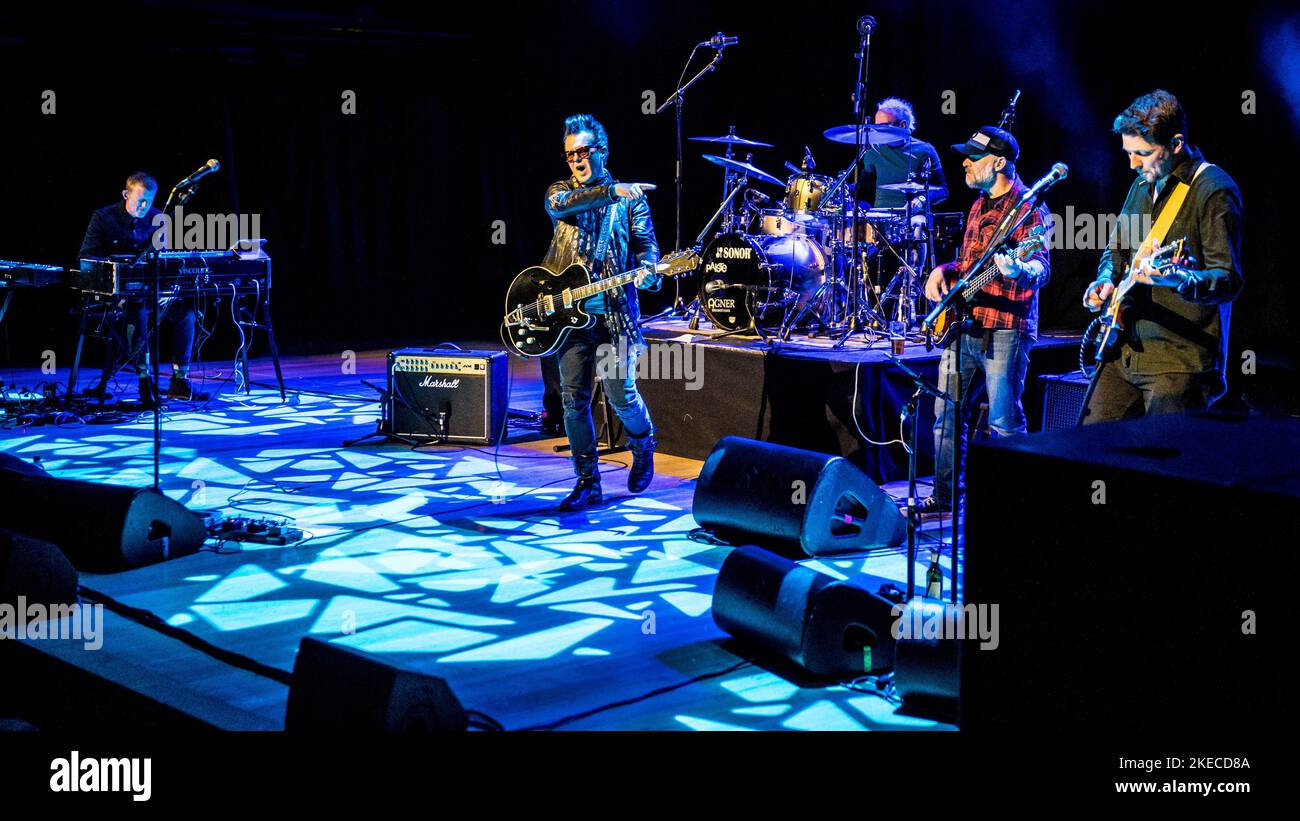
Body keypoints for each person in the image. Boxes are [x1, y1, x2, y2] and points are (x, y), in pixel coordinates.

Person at [1080, 90, 1243, 422]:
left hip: (1178, 361)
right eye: (1128, 153)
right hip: (1122, 348)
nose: (1133, 164)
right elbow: (1116, 251)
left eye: (1143, 153)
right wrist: (1103, 282)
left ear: (1176, 144)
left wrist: (1180, 278)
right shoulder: (1140, 186)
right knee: (1087, 449)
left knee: (1162, 467)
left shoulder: (1213, 189)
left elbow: (1228, 279)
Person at [922, 126, 1051, 514]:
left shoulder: (1030, 209)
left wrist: (1017, 269)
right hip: (964, 326)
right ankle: (945, 498)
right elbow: (967, 267)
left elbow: (1040, 268)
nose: (964, 161)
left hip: (1005, 330)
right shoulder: (978, 206)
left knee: (1004, 420)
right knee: (946, 417)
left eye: (973, 157)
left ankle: (1014, 506)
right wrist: (941, 269)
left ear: (999, 163)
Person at [543, 114, 661, 512]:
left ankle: (643, 446)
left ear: (603, 151)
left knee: (621, 396)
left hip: (614, 318)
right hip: (570, 320)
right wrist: (613, 191)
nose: (576, 160)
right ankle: (587, 482)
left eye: (583, 152)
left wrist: (648, 271)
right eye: (569, 154)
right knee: (573, 401)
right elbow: (567, 204)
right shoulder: (560, 193)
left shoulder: (632, 201)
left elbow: (647, 247)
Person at [79, 172, 207, 404]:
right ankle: (144, 379)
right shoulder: (103, 217)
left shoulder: (158, 217)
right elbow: (87, 257)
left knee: (185, 315)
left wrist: (168, 283)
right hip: (118, 294)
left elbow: (163, 259)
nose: (145, 206)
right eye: (140, 200)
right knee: (136, 311)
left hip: (152, 292)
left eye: (149, 200)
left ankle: (179, 380)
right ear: (126, 194)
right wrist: (114, 269)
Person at [860, 97, 948, 211]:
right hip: (879, 217)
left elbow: (942, 190)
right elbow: (864, 189)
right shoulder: (873, 150)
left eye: (884, 126)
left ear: (902, 125)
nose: (878, 131)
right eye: (877, 126)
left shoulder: (925, 150)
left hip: (913, 217)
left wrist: (921, 200)